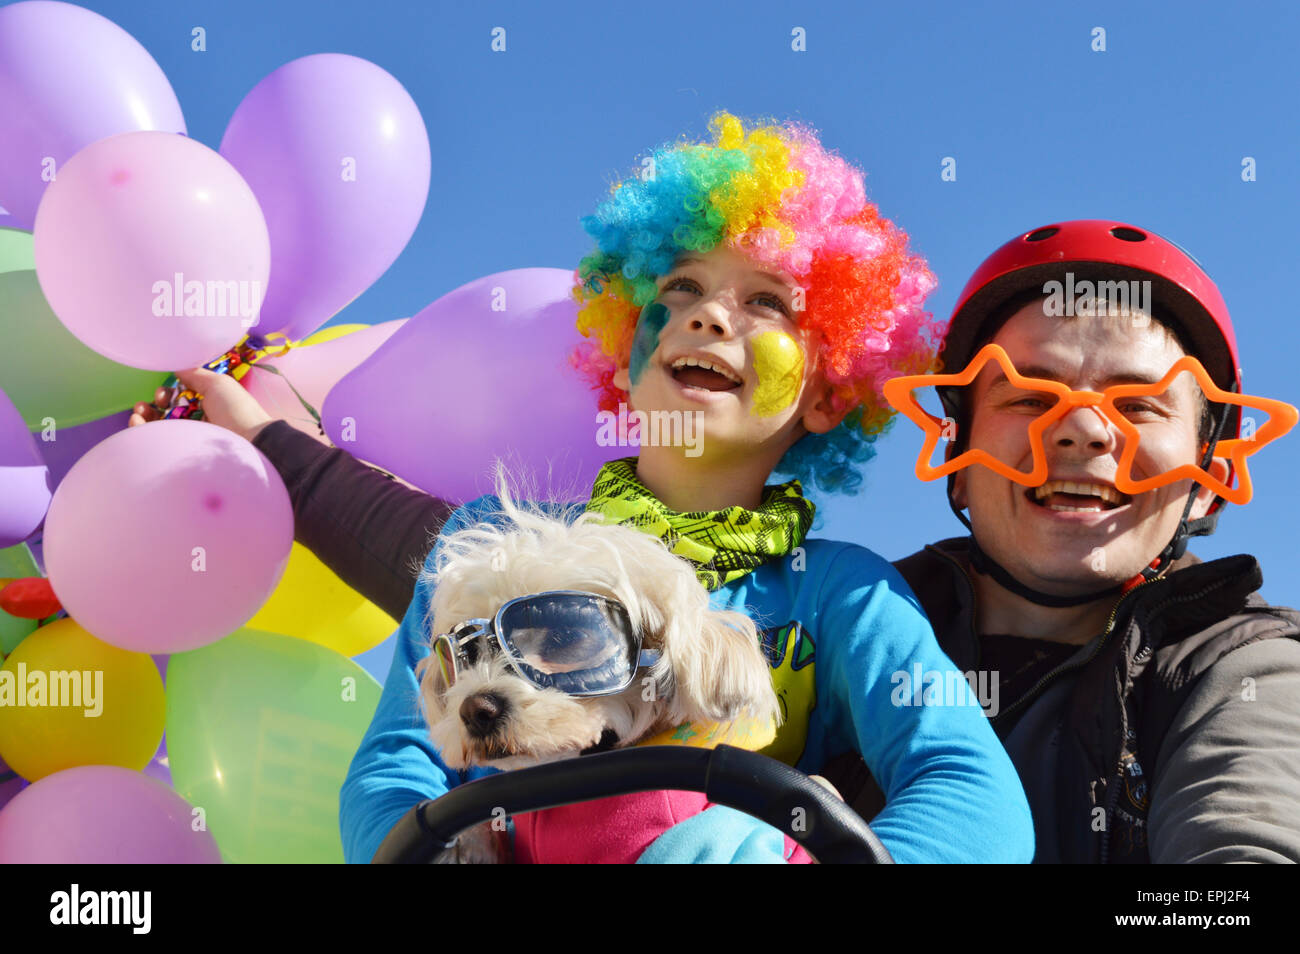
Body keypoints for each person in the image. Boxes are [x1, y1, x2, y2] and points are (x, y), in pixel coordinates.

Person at [135, 112, 1033, 864]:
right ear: (624, 345)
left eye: (770, 303)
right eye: (677, 287)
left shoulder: (843, 590)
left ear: (831, 390)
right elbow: (396, 761)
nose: (709, 312)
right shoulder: (494, 546)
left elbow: (972, 793)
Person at [826, 220, 1300, 863]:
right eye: (1026, 396)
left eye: (1139, 405)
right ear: (958, 460)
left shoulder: (1245, 667)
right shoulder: (830, 626)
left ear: (1209, 483)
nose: (1081, 431)